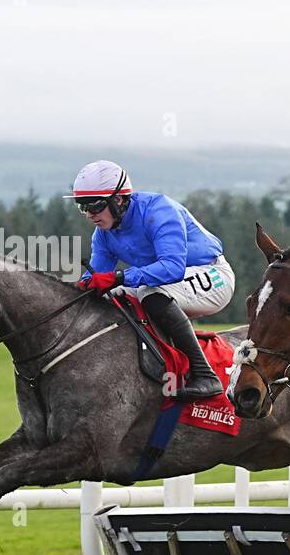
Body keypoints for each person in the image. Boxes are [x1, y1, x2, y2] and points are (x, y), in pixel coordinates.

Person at [66, 159, 232, 400]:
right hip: (168, 282)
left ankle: (205, 375)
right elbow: (96, 277)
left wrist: (120, 277)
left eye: (96, 206)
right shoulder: (103, 234)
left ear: (119, 199)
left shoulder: (159, 212)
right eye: (83, 207)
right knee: (115, 297)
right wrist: (78, 288)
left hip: (212, 274)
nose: (90, 215)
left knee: (149, 294)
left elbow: (172, 267)